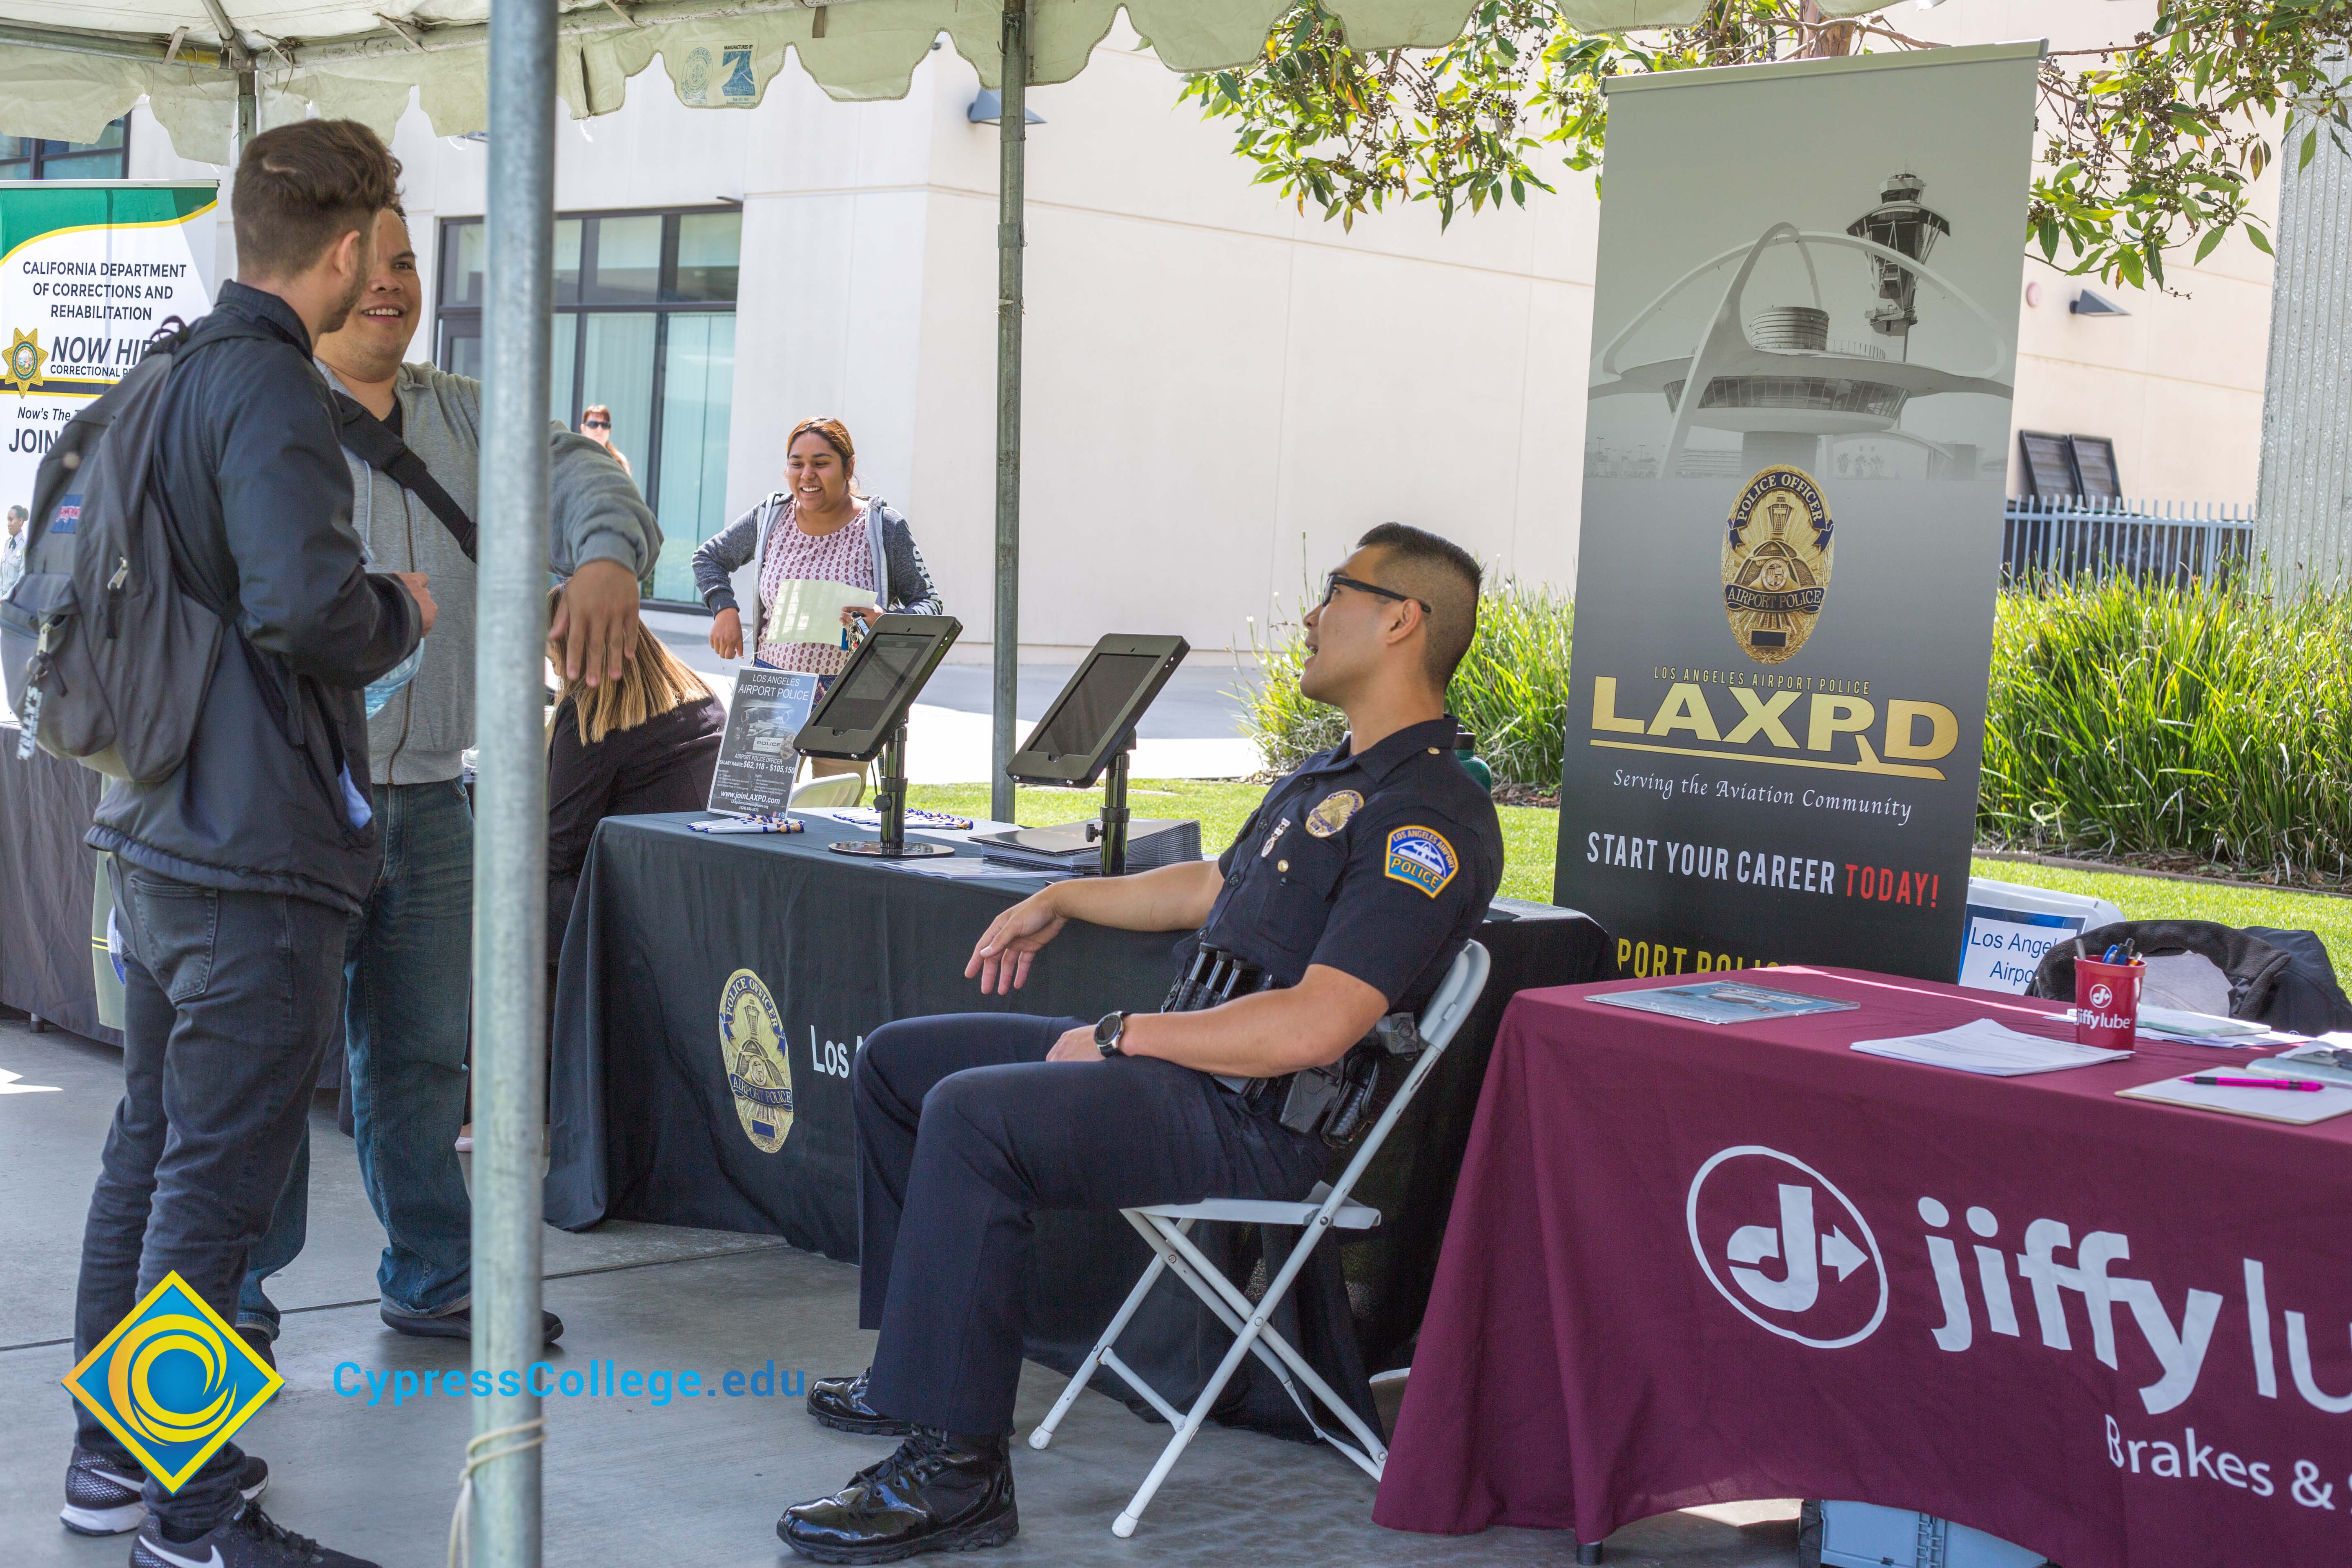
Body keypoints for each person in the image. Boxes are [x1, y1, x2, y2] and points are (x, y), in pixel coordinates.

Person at [776, 523, 1503, 1563]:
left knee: (974, 1116)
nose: (1309, 614)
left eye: (1334, 591)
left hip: (1251, 1117)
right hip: (1189, 1074)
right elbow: (1212, 886)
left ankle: (957, 1472)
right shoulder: (1330, 772)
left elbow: (1319, 1023)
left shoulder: (1426, 810)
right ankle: (917, 1373)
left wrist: (1123, 1034)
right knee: (900, 1063)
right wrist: (1062, 894)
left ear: (1398, 619)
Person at [65, 119, 420, 1568]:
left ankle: (118, 1469)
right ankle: (193, 1519)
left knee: (150, 1154)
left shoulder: (164, 372)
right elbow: (303, 609)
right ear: (343, 253)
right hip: (246, 853)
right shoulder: (269, 389)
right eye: (381, 250)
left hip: (155, 825)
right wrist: (399, 608)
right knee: (209, 1193)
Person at [236, 205, 659, 1354]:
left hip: (432, 799)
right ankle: (233, 1306)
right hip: (290, 799)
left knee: (422, 1062)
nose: (391, 284)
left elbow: (585, 475)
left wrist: (610, 555)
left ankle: (434, 1278)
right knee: (264, 1071)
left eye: (408, 262)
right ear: (320, 271)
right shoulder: (259, 405)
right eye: (367, 263)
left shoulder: (466, 414)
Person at [690, 416, 940, 779]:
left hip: (850, 692)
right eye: (797, 464)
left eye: (821, 464)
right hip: (773, 689)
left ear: (848, 467)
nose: (807, 474)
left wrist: (884, 621)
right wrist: (724, 608)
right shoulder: (769, 517)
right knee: (753, 812)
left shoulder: (883, 526)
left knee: (832, 821)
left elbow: (929, 602)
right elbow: (709, 557)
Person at [546, 592, 726, 955]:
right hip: (703, 889)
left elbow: (559, 850)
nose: (554, 670)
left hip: (628, 903)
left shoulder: (592, 715)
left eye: (554, 658)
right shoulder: (702, 696)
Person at [580, 402, 632, 477]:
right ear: (583, 428)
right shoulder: (575, 456)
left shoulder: (621, 461)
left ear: (610, 429)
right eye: (593, 424)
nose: (600, 429)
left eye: (605, 425)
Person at [0, 503, 25, 597]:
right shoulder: (7, 544)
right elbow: (1, 575)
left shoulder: (25, 547)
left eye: (11, 520)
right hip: (3, 604)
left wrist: (6, 598)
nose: (8, 524)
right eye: (8, 520)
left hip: (15, 603)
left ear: (20, 522)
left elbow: (22, 579)